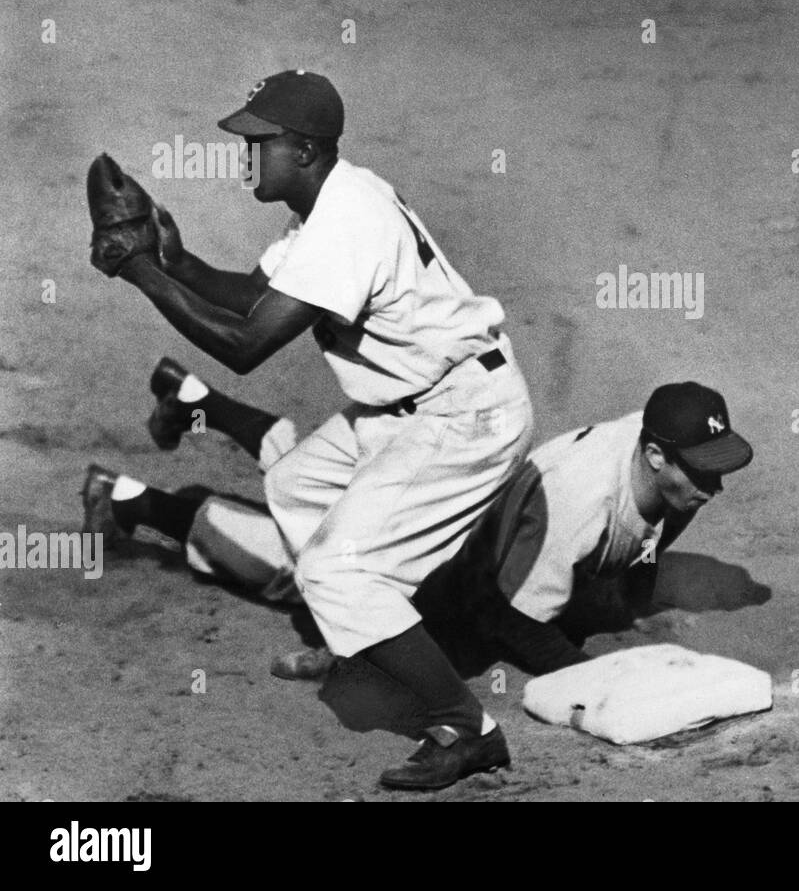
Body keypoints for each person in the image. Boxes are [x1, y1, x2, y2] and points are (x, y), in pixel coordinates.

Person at [87, 69, 535, 790]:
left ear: (303, 149)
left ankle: (466, 727)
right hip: (411, 406)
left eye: (257, 141)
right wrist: (176, 261)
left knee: (336, 567)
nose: (244, 152)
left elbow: (245, 344)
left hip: (465, 417)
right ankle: (360, 640)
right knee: (296, 484)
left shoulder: (347, 221)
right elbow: (258, 298)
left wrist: (142, 272)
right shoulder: (327, 205)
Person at [84, 376, 754, 687]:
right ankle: (132, 499)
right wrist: (597, 676)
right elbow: (510, 620)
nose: (714, 484)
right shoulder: (578, 499)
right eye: (703, 468)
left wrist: (633, 604)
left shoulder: (668, 458)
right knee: (295, 565)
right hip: (427, 534)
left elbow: (645, 541)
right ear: (657, 455)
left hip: (452, 478)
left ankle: (200, 399)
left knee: (312, 476)